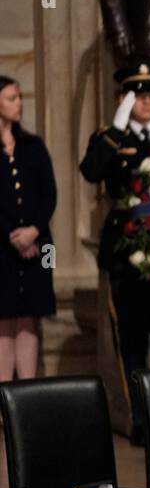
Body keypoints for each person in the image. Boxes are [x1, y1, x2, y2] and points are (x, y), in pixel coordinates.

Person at [80, 63, 150, 440]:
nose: (146, 101)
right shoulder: (110, 138)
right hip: (127, 253)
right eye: (137, 95)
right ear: (124, 100)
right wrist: (117, 127)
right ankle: (140, 419)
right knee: (134, 343)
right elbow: (91, 171)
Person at [0, 76, 56, 381]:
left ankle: (27, 394)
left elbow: (50, 194)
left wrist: (34, 230)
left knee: (30, 317)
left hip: (42, 246)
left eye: (19, 97)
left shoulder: (33, 146)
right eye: (11, 97)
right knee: (4, 320)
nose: (19, 103)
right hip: (3, 247)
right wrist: (15, 237)